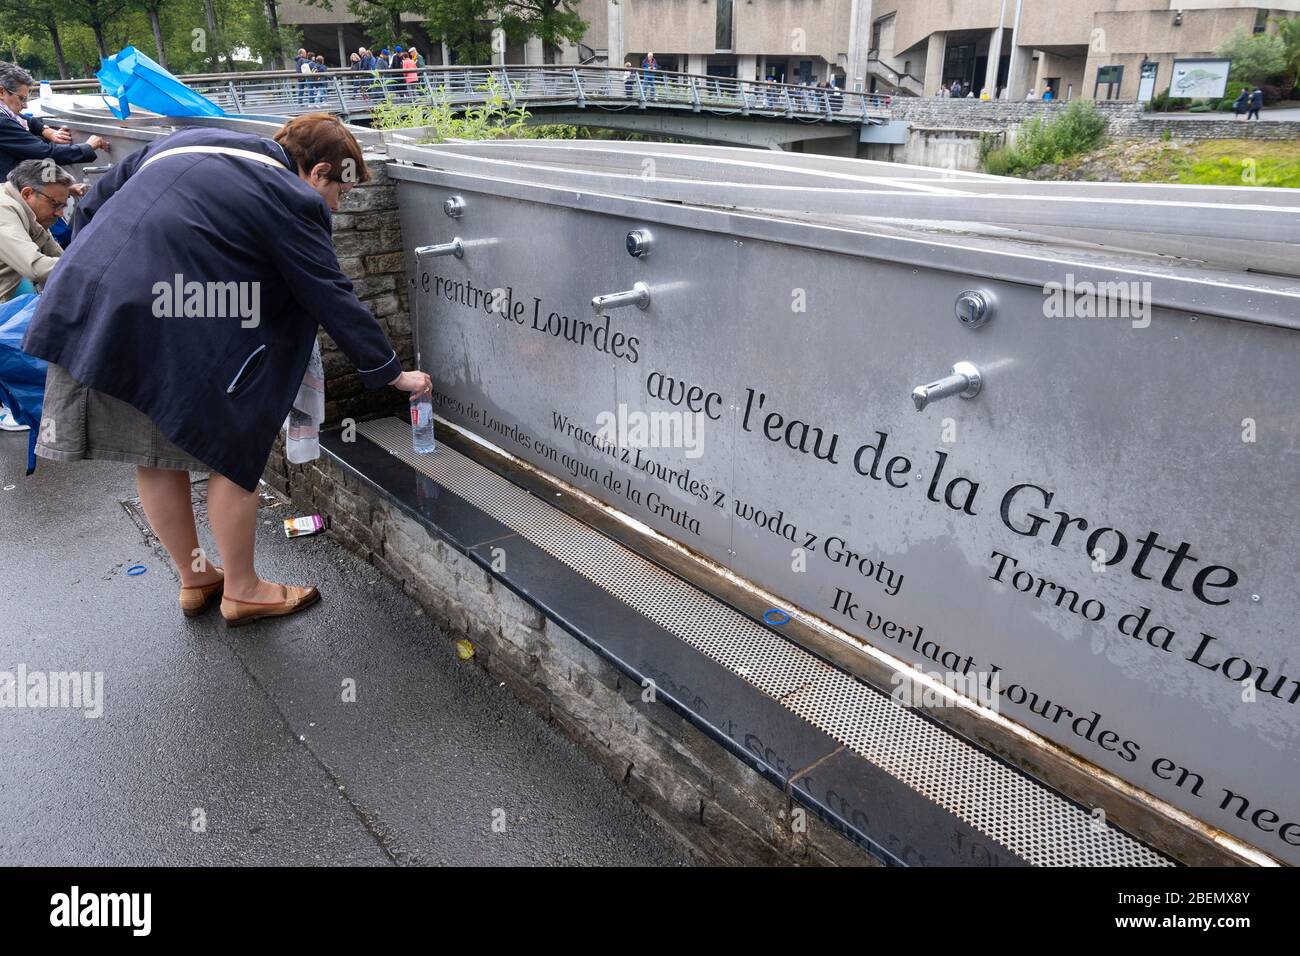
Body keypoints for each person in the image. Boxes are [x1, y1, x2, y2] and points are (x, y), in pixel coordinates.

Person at [22, 113, 432, 626]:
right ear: (319, 170)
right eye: (341, 192)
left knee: (155, 454)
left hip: (96, 308)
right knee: (232, 450)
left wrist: (106, 271)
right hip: (171, 323)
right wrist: (392, 373)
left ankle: (195, 579)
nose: (337, 205)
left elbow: (96, 206)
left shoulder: (185, 142)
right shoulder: (293, 197)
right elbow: (329, 292)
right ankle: (243, 589)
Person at [0, 62, 109, 181]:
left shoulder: (6, 114)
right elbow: (43, 153)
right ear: (1, 92)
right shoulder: (2, 122)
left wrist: (46, 130)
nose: (25, 106)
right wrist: (87, 147)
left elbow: (22, 118)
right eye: (21, 98)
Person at [0, 158, 69, 301]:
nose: (60, 213)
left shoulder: (31, 214)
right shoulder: (3, 209)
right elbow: (36, 268)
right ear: (27, 193)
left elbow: (59, 256)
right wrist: (87, 266)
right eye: (55, 204)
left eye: (63, 206)